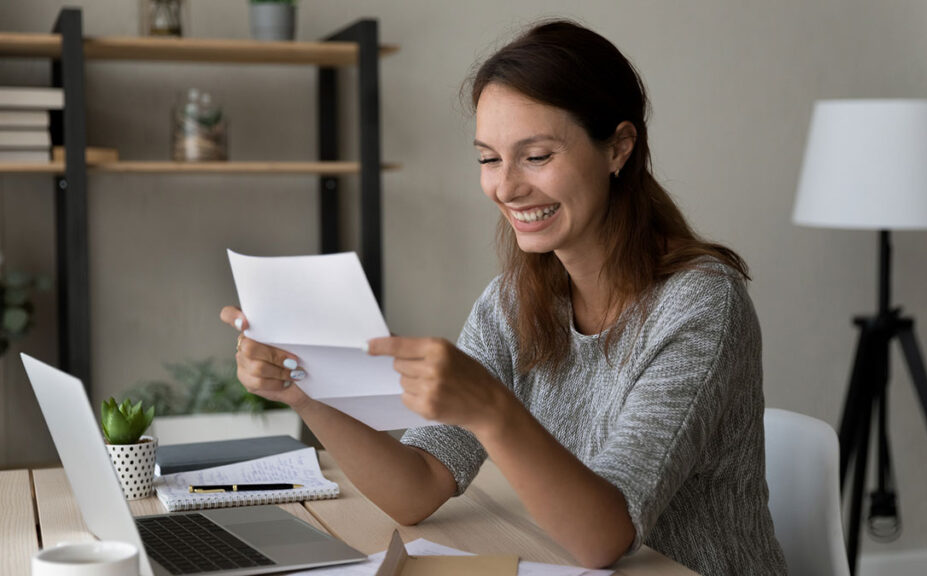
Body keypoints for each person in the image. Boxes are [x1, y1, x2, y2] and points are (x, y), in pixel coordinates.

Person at [221, 20, 787, 574]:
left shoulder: (701, 305)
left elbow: (605, 539)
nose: (506, 186)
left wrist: (492, 409)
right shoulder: (516, 301)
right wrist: (301, 390)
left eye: (536, 156)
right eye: (489, 158)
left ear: (618, 148)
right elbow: (417, 489)